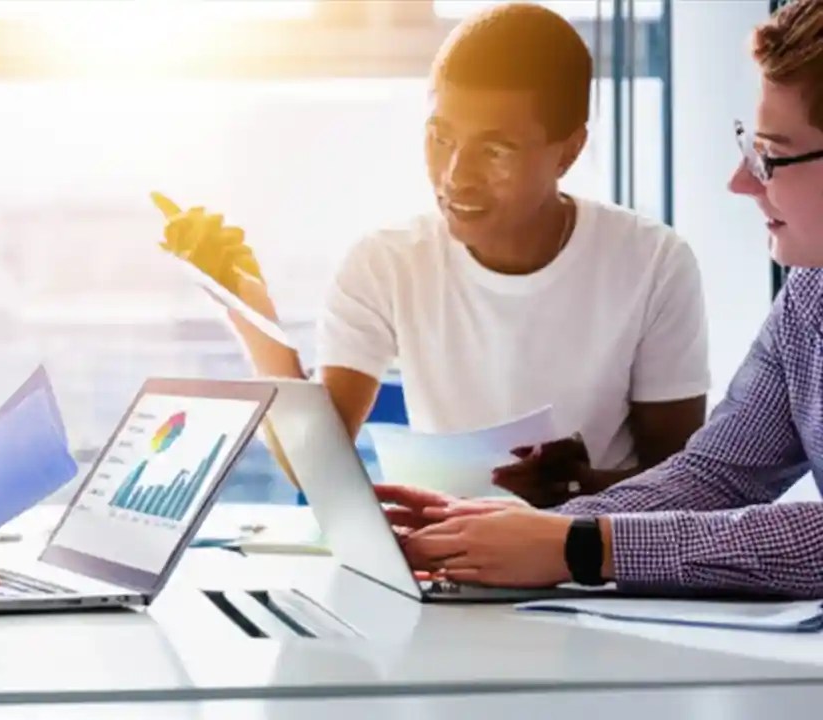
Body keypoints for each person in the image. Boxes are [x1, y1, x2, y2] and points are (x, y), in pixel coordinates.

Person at [153, 2, 709, 508]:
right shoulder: (387, 263)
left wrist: (580, 488)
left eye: (495, 150)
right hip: (449, 557)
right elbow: (315, 467)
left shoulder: (653, 263)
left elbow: (686, 483)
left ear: (569, 151)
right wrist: (250, 310)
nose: (455, 176)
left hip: (594, 556)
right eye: (441, 138)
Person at [383, 0, 823, 599]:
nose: (740, 181)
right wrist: (513, 531)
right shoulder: (809, 295)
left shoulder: (660, 259)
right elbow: (717, 473)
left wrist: (581, 547)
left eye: (770, 156)